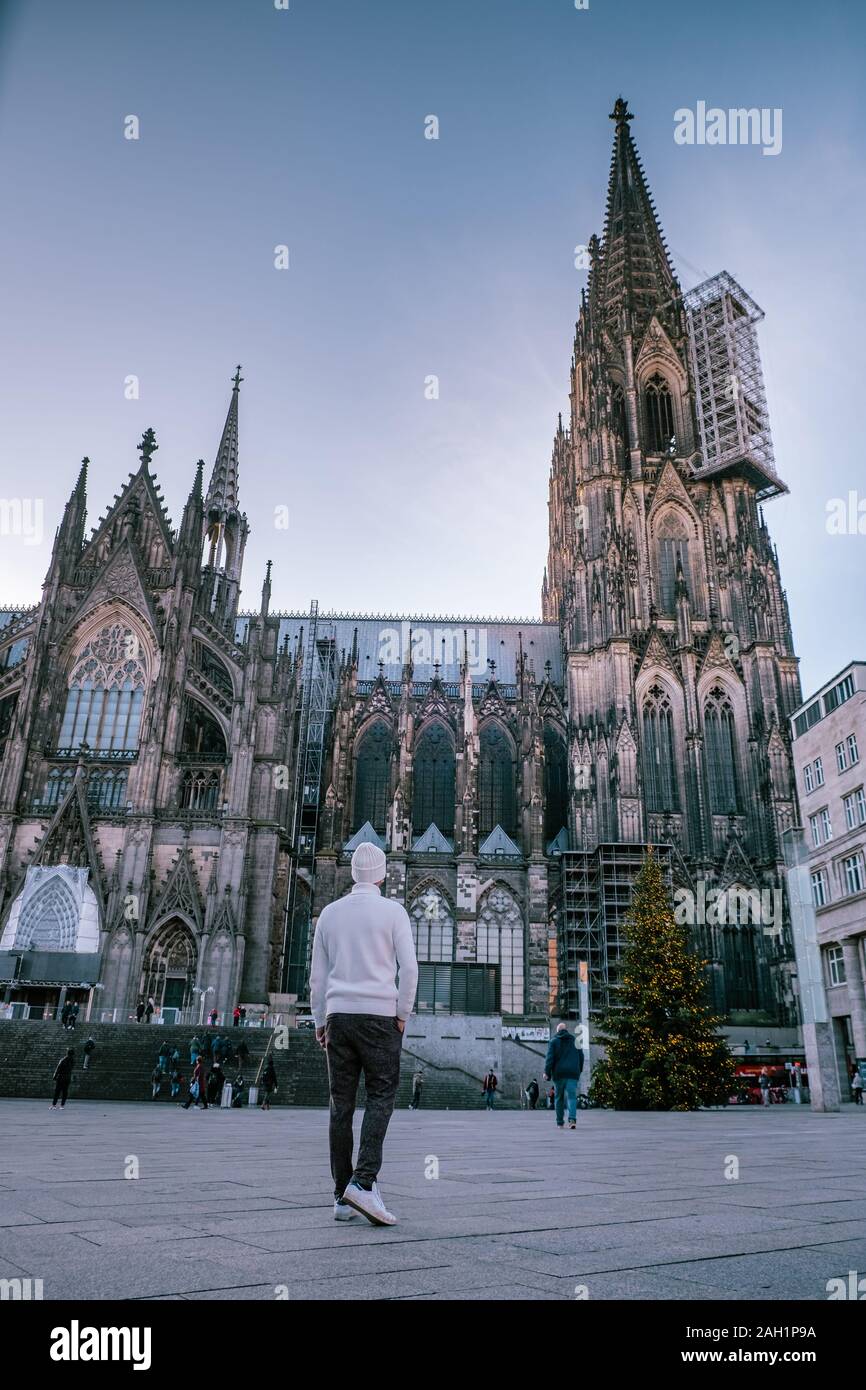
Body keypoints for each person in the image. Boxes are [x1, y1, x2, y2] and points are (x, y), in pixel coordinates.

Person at [310, 841, 418, 1228]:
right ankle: (363, 1182)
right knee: (381, 1097)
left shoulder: (329, 913)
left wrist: (320, 1020)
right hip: (380, 1018)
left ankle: (341, 1196)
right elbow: (410, 969)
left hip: (339, 1017)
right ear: (383, 875)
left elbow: (317, 977)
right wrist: (402, 1014)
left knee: (341, 1106)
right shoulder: (393, 911)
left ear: (352, 874)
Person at [544, 1022, 584, 1130]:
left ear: (558, 1031)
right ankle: (572, 1121)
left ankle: (560, 1123)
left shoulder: (553, 1041)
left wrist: (546, 1072)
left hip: (559, 1074)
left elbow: (549, 1059)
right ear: (566, 1030)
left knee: (559, 1098)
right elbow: (581, 1057)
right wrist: (578, 1070)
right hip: (572, 1074)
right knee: (572, 1097)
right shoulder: (575, 1041)